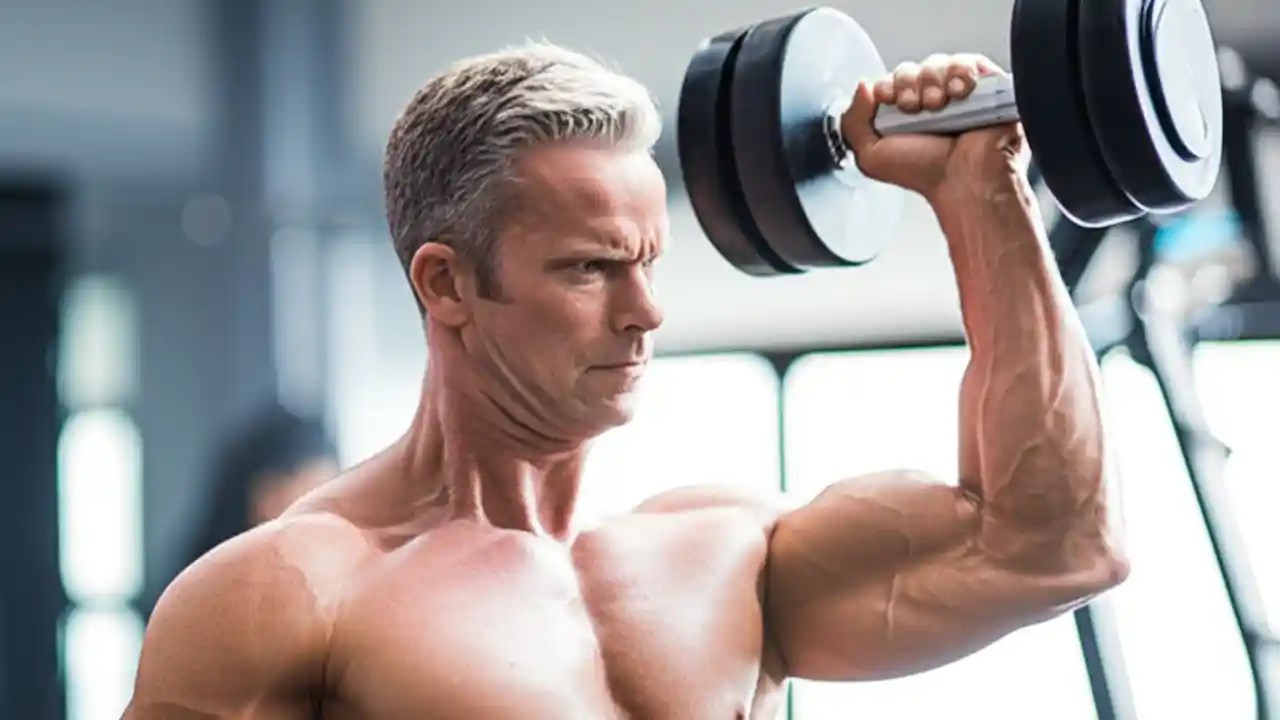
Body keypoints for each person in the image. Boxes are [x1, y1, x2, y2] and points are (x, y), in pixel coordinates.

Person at [124, 42, 1129, 718]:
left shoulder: (726, 554)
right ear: (448, 284)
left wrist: (979, 186)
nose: (645, 310)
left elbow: (1056, 547)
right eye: (589, 267)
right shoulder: (288, 596)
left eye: (648, 261)